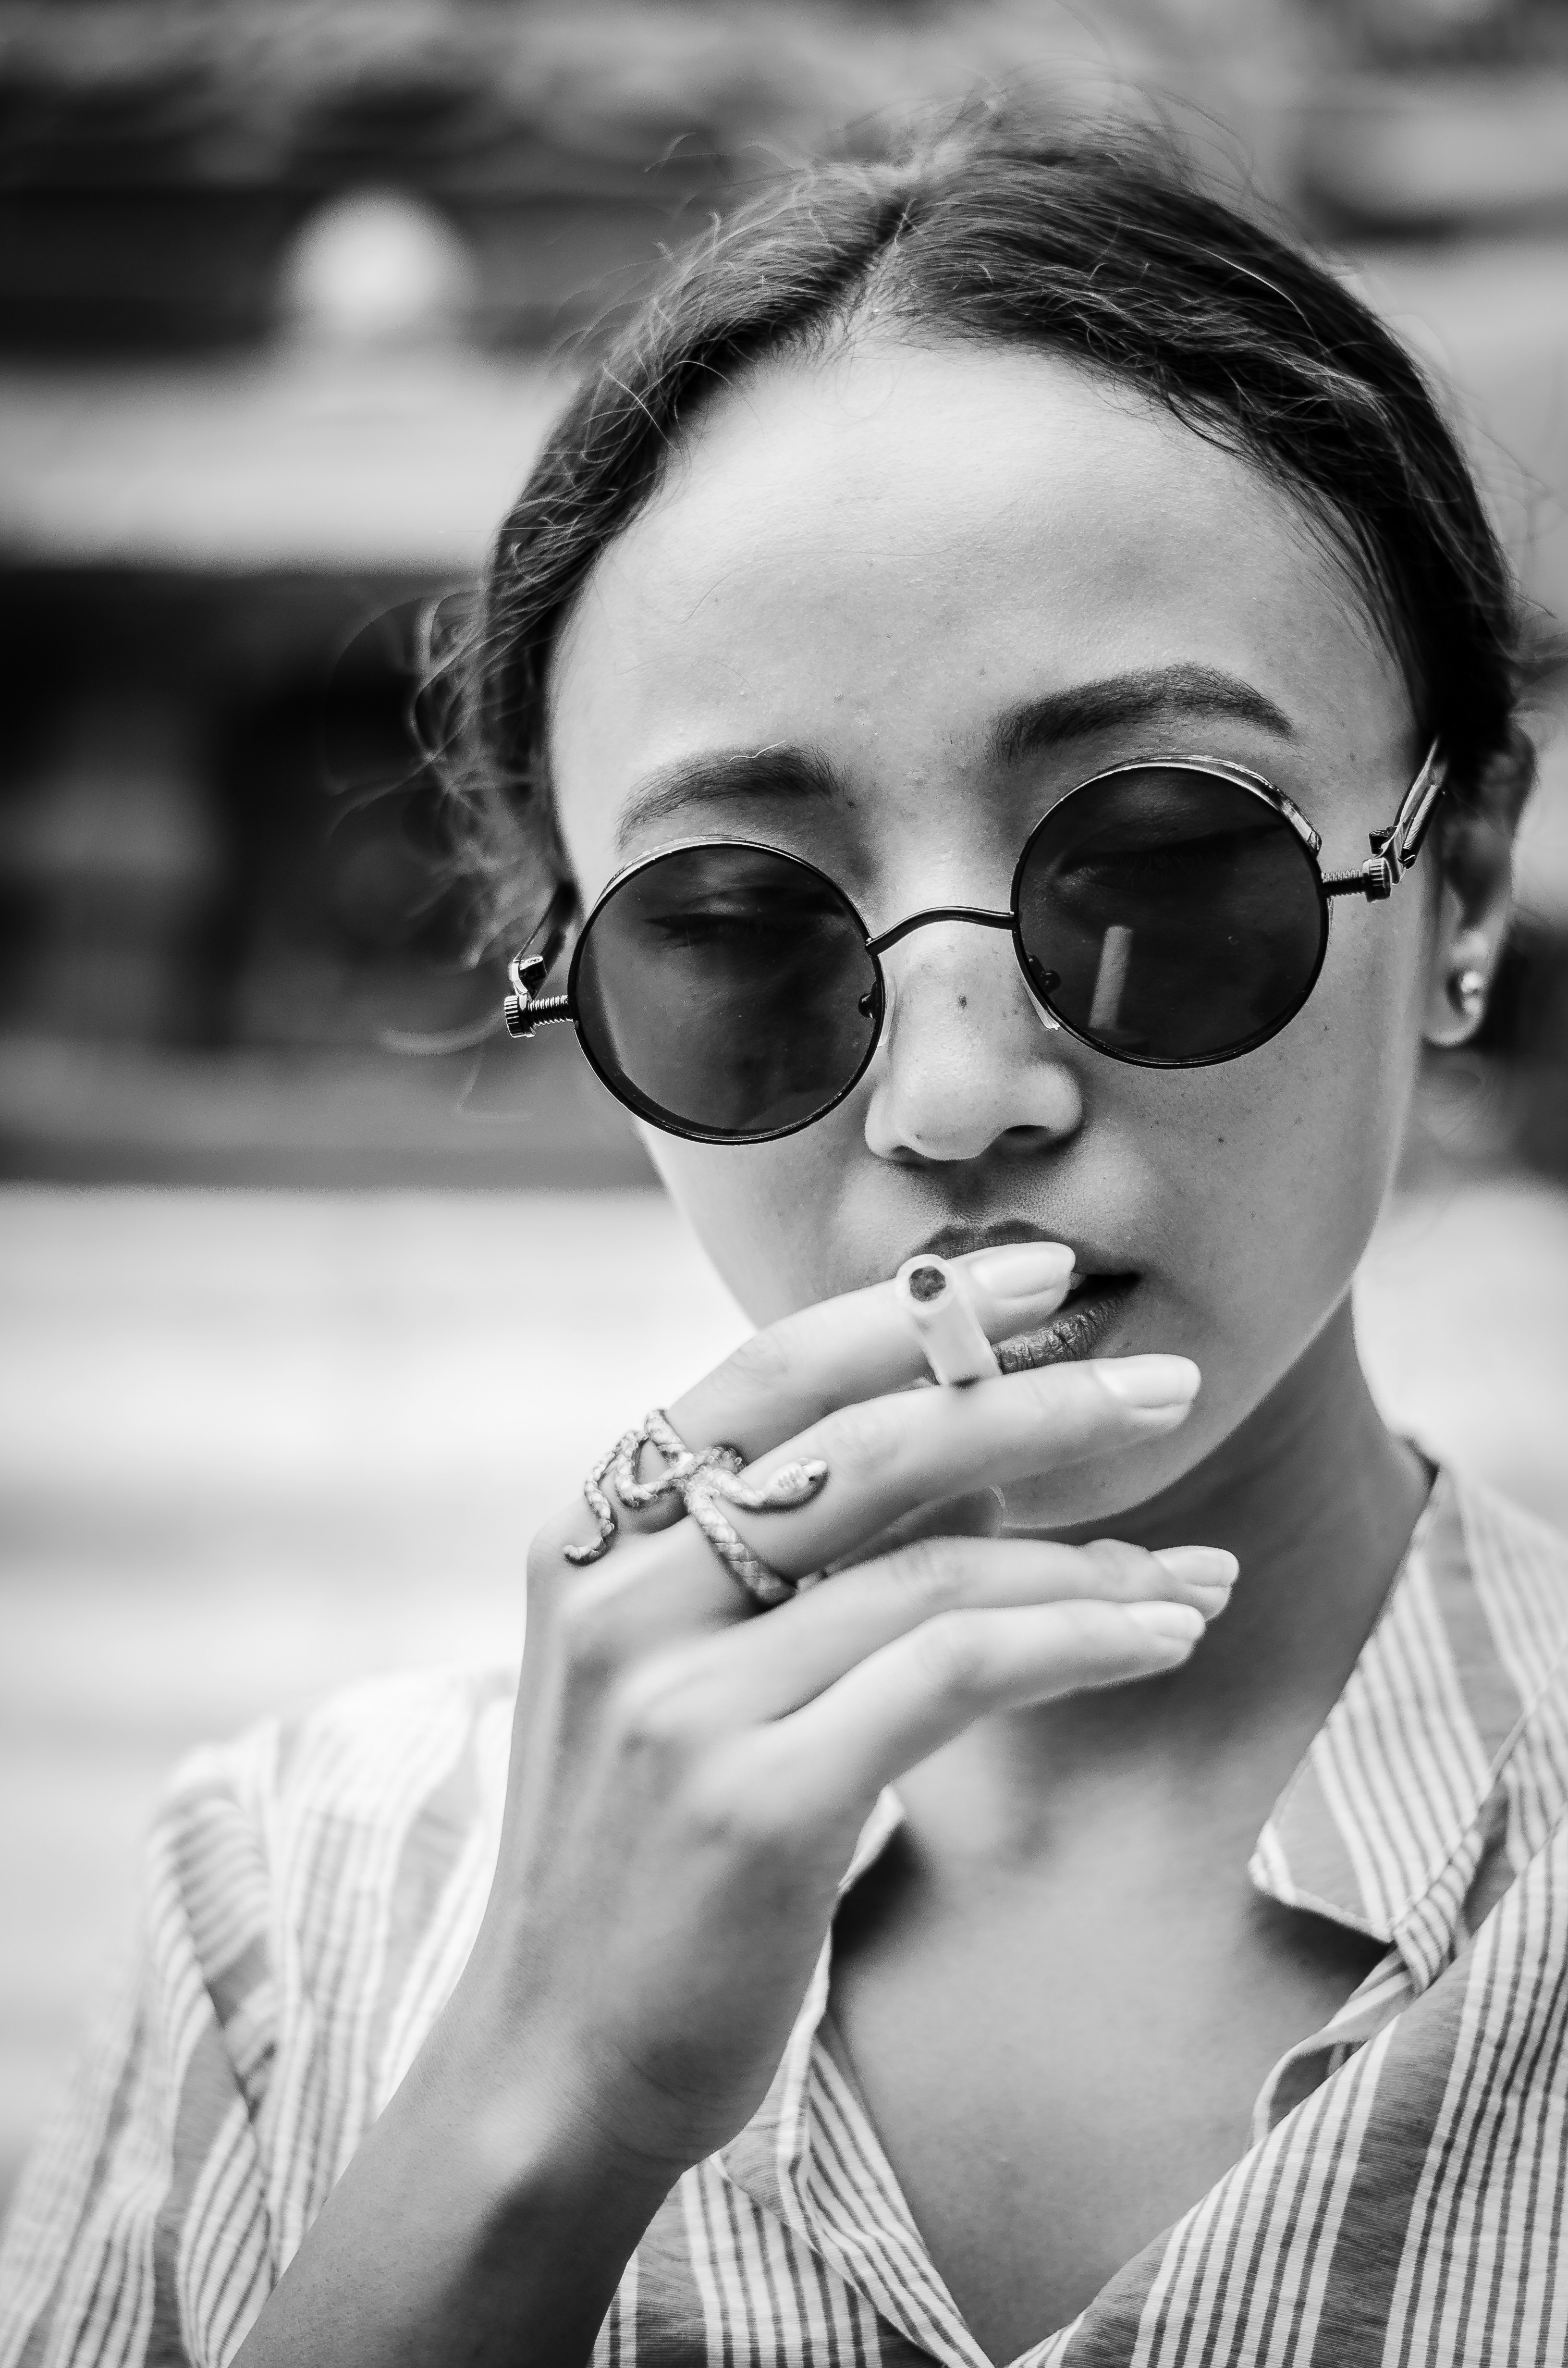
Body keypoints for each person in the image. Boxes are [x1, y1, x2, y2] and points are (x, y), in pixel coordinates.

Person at [3, 103, 1565, 2368]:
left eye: (1164, 866)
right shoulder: (289, 1904)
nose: (956, 1096)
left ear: (1463, 882)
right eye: (740, 933)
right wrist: (529, 2102)